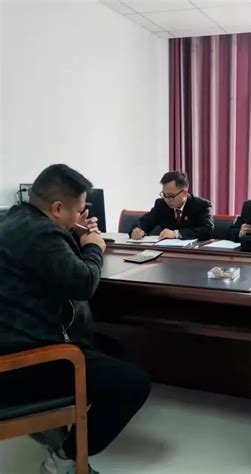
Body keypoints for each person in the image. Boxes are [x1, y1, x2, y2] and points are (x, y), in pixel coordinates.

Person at [0, 164, 151, 474]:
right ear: (57, 208)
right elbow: (83, 283)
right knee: (133, 383)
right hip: (26, 361)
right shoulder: (42, 234)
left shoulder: (14, 219)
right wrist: (93, 246)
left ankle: (56, 429)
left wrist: (71, 231)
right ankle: (64, 458)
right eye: (79, 210)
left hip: (14, 340)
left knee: (115, 349)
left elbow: (44, 263)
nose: (82, 216)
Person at [130, 171, 214, 241]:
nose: (167, 200)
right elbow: (145, 221)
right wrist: (138, 230)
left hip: (192, 252)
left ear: (184, 193)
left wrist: (176, 234)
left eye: (171, 196)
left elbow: (207, 230)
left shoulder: (201, 205)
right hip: (166, 252)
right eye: (164, 195)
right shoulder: (161, 204)